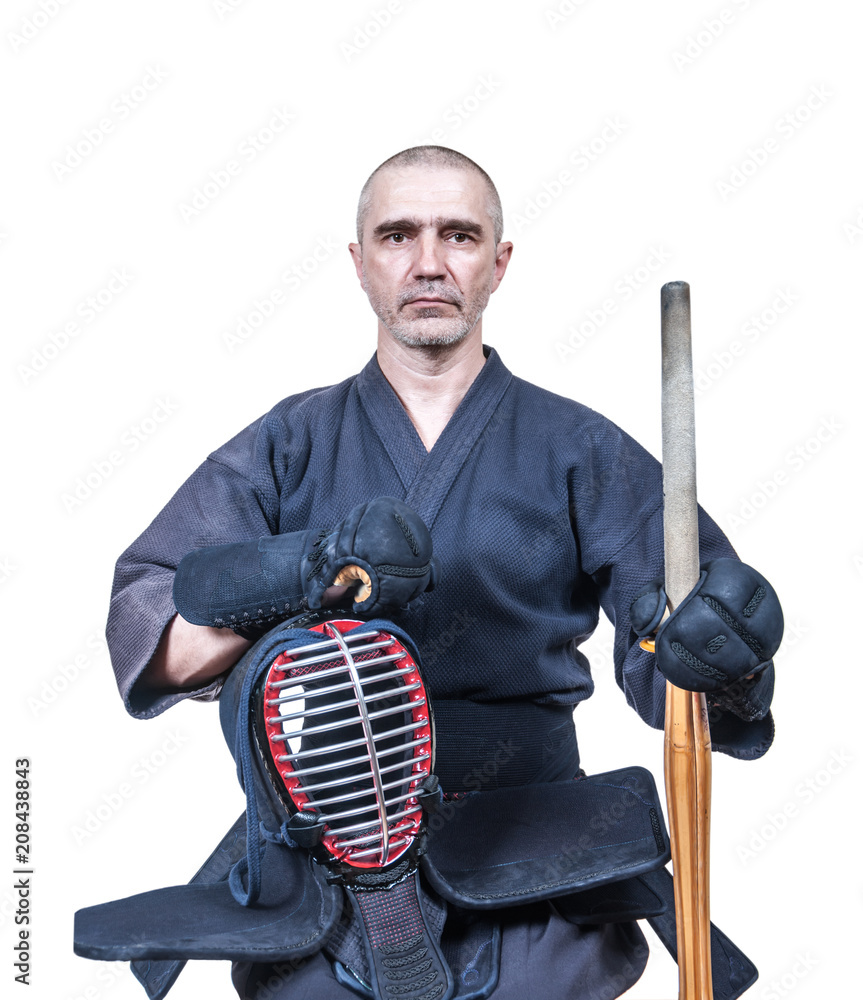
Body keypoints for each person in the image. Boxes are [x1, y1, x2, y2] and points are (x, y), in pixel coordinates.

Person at [104, 146, 779, 999]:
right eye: (397, 235)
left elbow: (683, 654)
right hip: (324, 861)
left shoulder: (576, 447)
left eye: (458, 235)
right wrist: (305, 574)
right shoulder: (287, 443)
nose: (428, 263)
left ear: (497, 263)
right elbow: (154, 629)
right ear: (359, 263)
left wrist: (729, 661)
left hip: (539, 862)